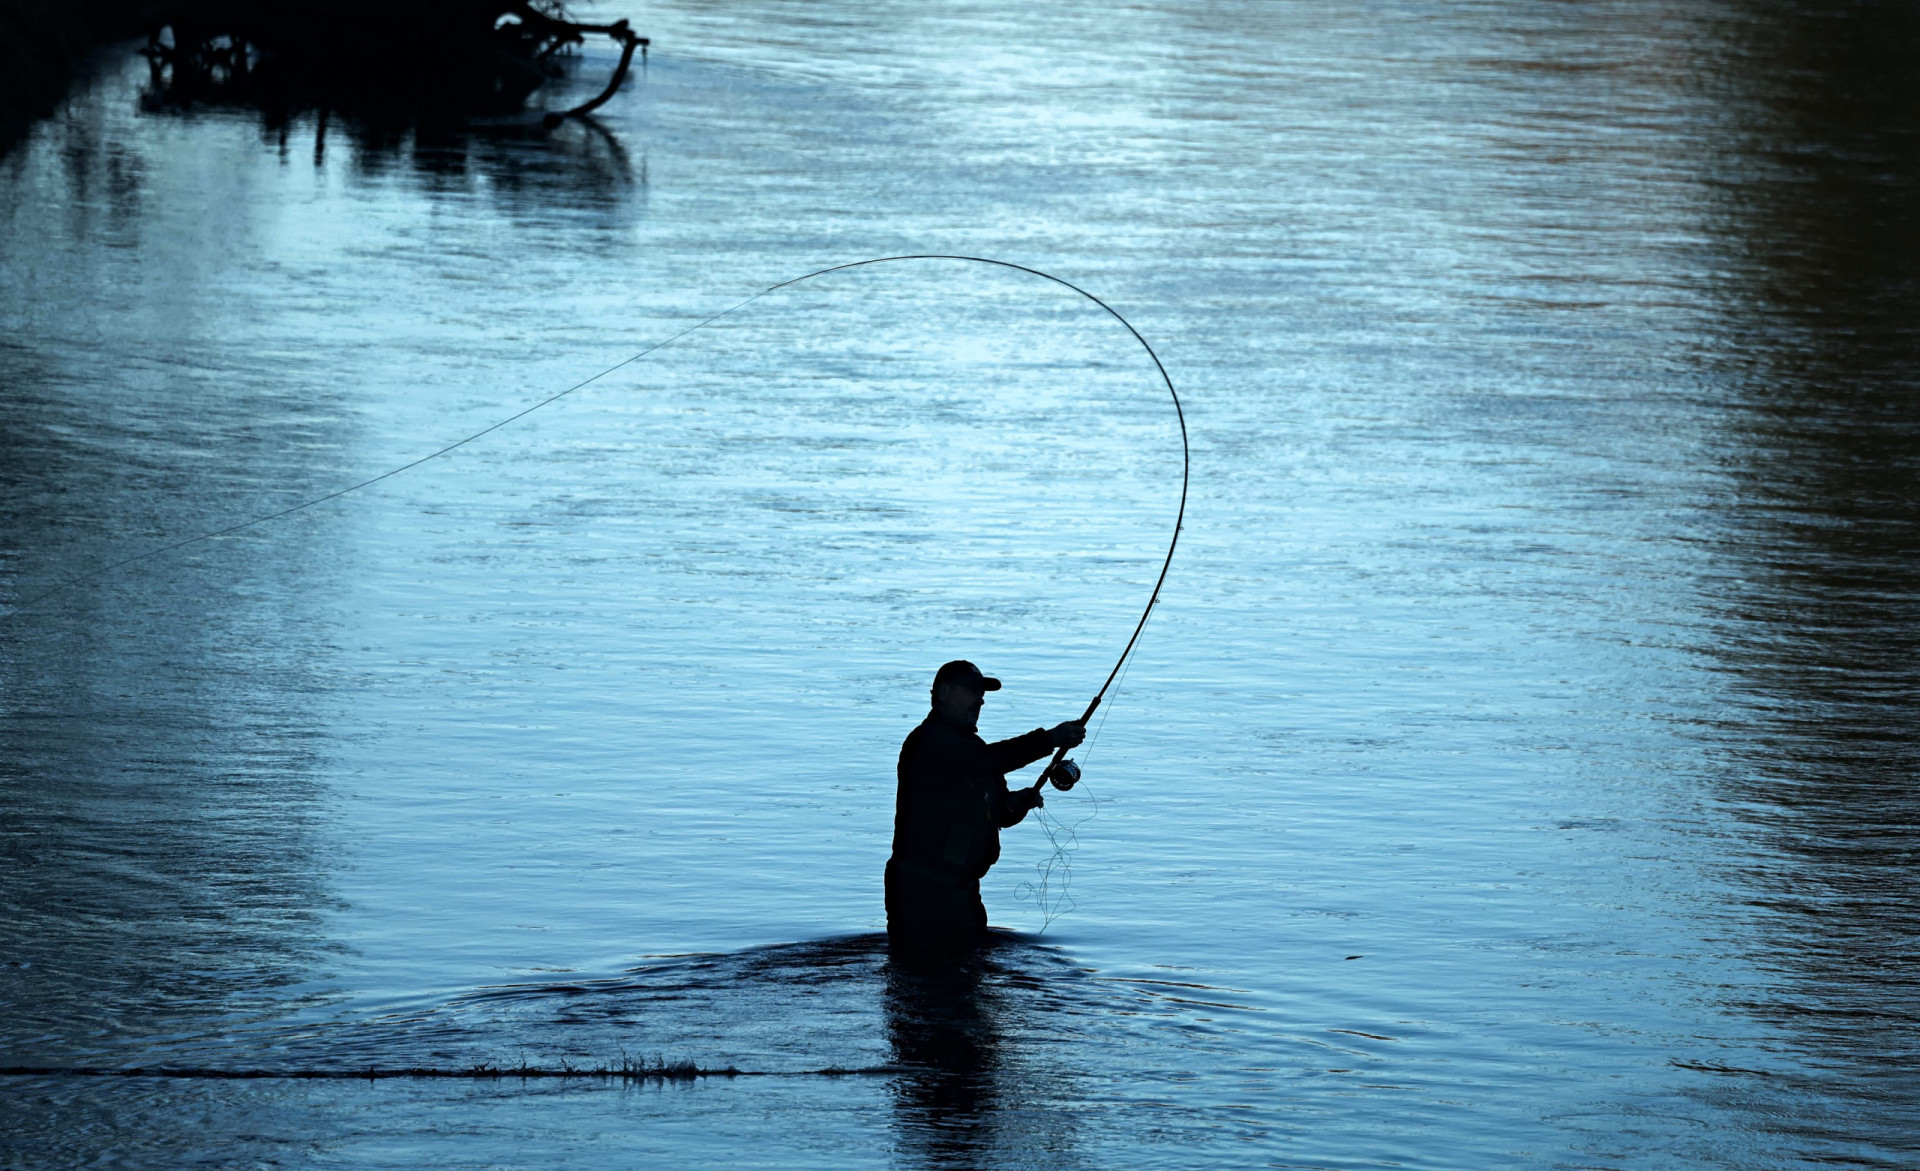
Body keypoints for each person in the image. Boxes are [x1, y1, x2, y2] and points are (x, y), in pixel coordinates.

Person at [885, 659, 1085, 955]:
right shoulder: (926, 742)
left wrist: (1016, 804)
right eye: (971, 691)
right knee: (923, 972)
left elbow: (999, 813)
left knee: (966, 971)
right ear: (943, 693)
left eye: (981, 694)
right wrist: (1050, 739)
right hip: (919, 892)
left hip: (963, 892)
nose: (980, 700)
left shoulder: (974, 749)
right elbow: (985, 762)